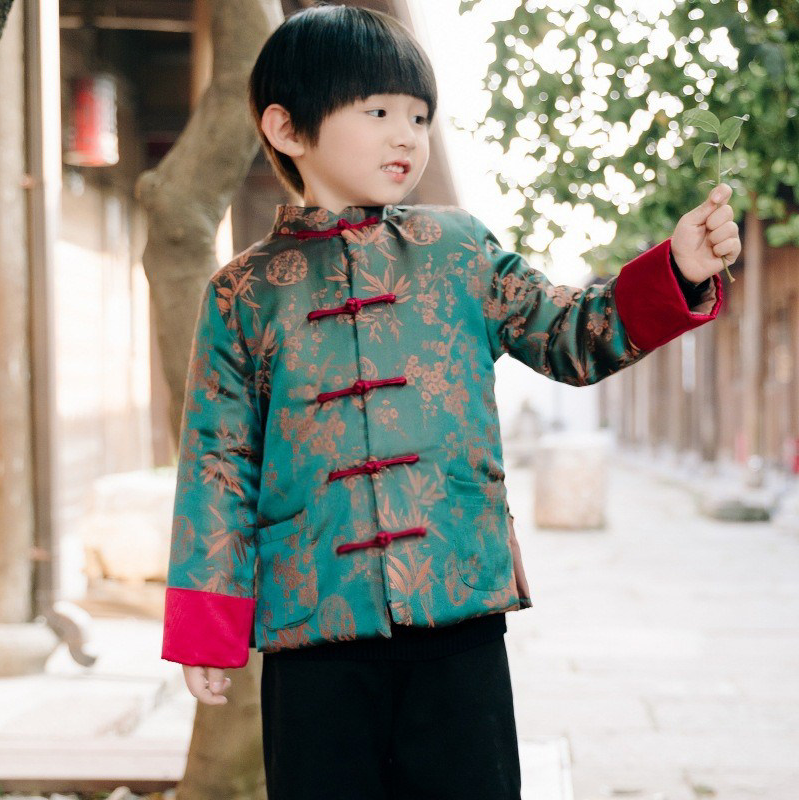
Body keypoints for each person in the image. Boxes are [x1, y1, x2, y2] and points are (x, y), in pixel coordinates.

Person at [160, 3, 740, 798]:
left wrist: (678, 268)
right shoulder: (244, 292)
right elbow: (218, 463)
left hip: (457, 611)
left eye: (419, 116)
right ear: (287, 128)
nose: (407, 135)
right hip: (311, 628)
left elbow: (572, 335)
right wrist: (208, 625)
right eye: (378, 112)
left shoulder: (458, 249)